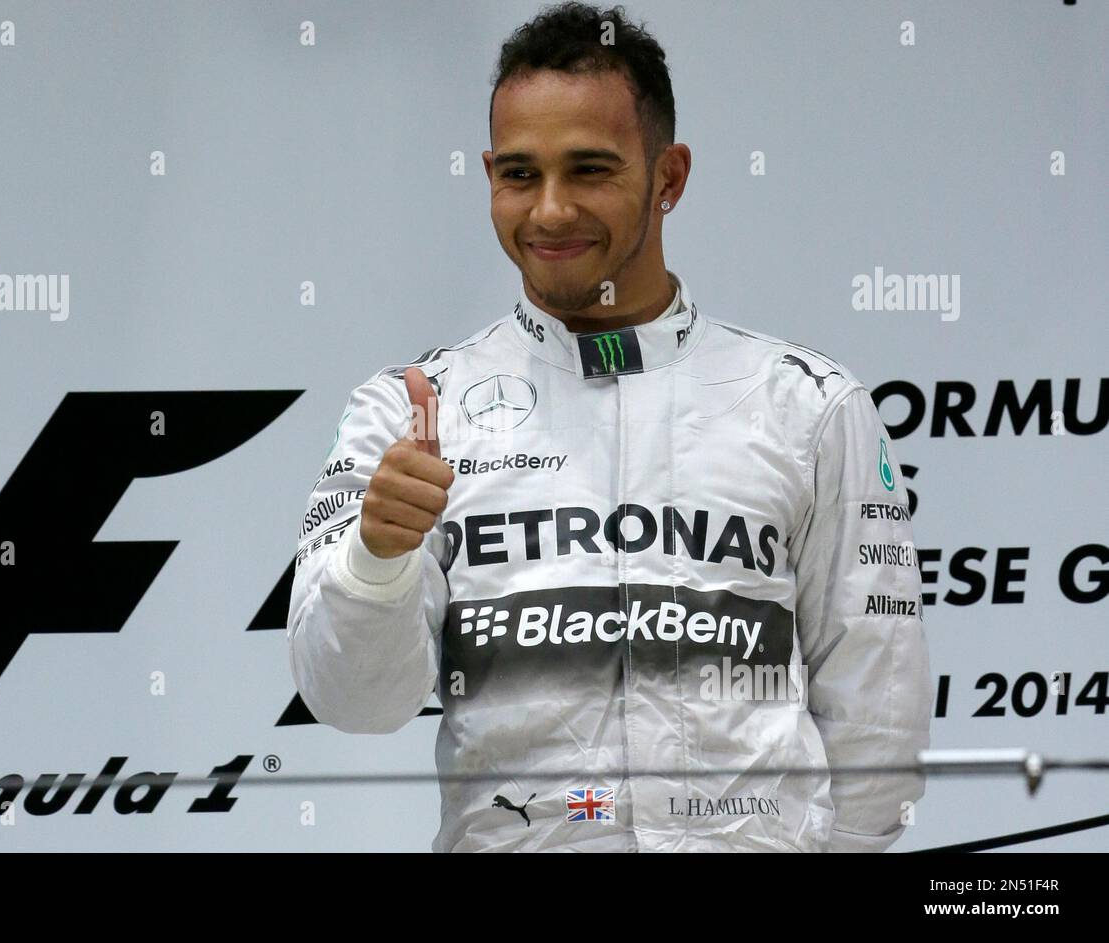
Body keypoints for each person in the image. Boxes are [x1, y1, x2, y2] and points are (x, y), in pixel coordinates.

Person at [286, 1, 930, 852]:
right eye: (519, 175)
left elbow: (877, 720)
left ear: (669, 176)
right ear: (488, 174)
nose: (549, 212)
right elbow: (355, 703)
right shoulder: (409, 413)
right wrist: (376, 559)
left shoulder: (810, 404)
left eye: (589, 170)